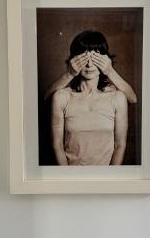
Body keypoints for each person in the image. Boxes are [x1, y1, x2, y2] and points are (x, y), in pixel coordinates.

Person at [50, 30, 130, 166]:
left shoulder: (117, 98)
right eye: (83, 58)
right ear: (74, 61)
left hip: (106, 176)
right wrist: (67, 176)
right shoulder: (61, 97)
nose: (89, 65)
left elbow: (120, 146)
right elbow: (57, 146)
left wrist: (111, 177)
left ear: (105, 60)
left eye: (95, 58)